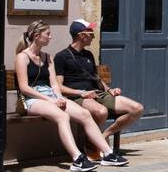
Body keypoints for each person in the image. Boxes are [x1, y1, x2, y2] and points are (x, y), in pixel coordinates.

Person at [13, 20, 127, 171]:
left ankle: (108, 154)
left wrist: (59, 97)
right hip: (32, 99)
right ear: (36, 35)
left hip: (51, 96)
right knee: (63, 116)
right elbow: (24, 87)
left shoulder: (47, 57)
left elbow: (54, 84)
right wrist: (51, 100)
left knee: (85, 114)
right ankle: (77, 159)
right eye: (47, 34)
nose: (50, 37)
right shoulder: (22, 57)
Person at [54, 19, 144, 158]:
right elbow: (59, 86)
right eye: (91, 33)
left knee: (137, 108)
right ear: (81, 35)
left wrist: (109, 90)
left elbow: (96, 77)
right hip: (77, 96)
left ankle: (102, 136)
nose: (93, 36)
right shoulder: (62, 57)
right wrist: (82, 93)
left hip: (97, 93)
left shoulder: (88, 54)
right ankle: (92, 144)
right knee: (101, 112)